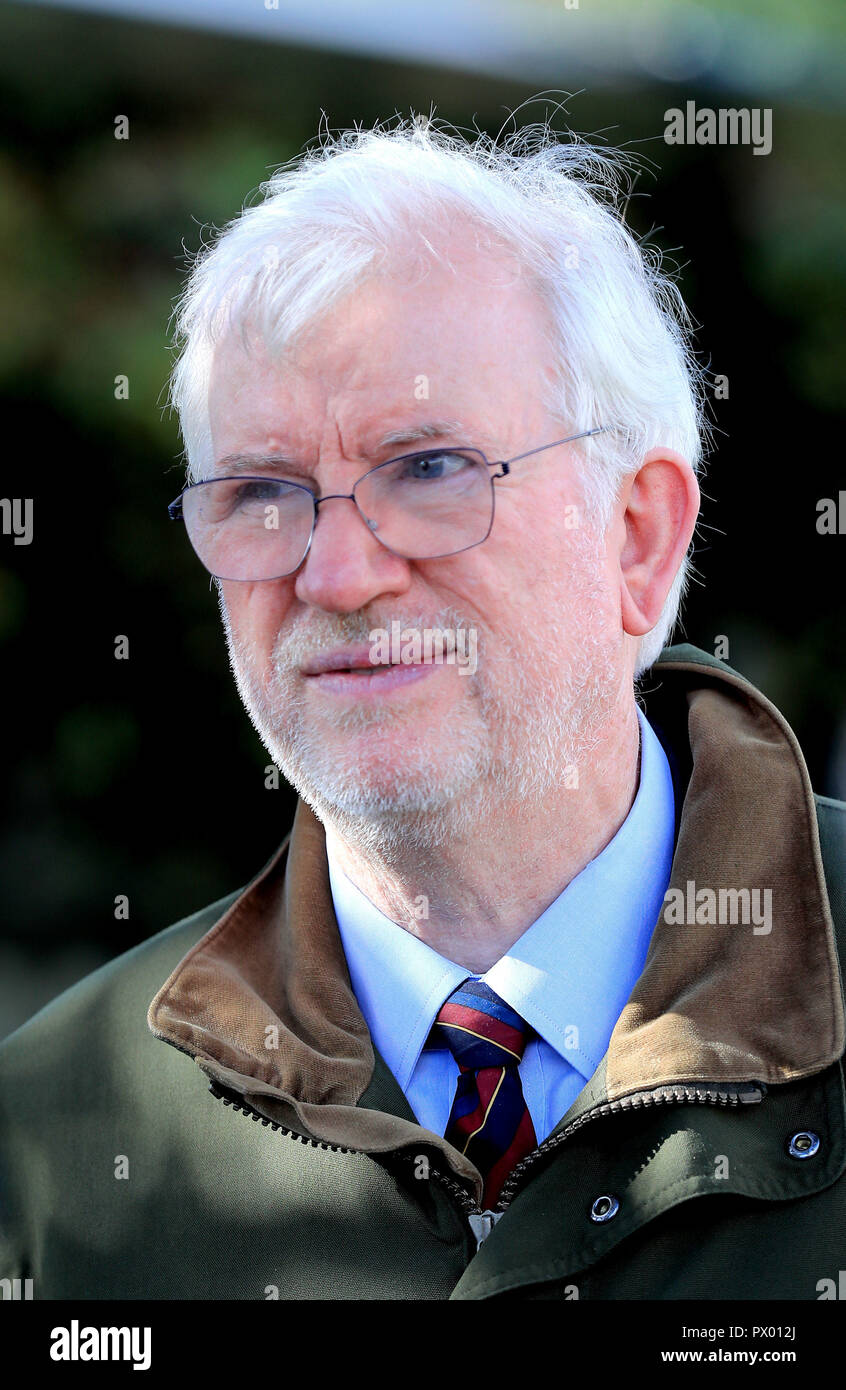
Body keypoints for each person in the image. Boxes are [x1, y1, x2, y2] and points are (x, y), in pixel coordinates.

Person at [1, 116, 844, 1303]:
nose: (339, 575)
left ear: (636, 535)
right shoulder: (48, 1153)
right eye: (262, 490)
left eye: (430, 466)